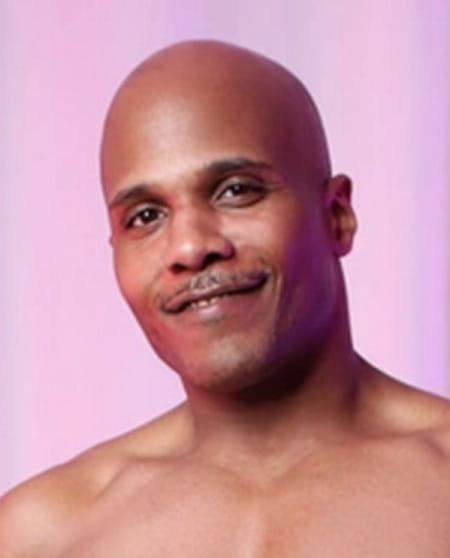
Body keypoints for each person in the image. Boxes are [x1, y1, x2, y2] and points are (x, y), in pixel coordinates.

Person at [1, 39, 450, 557]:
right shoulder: (41, 537)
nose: (190, 248)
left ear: (337, 217)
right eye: (146, 216)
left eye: (236, 190)